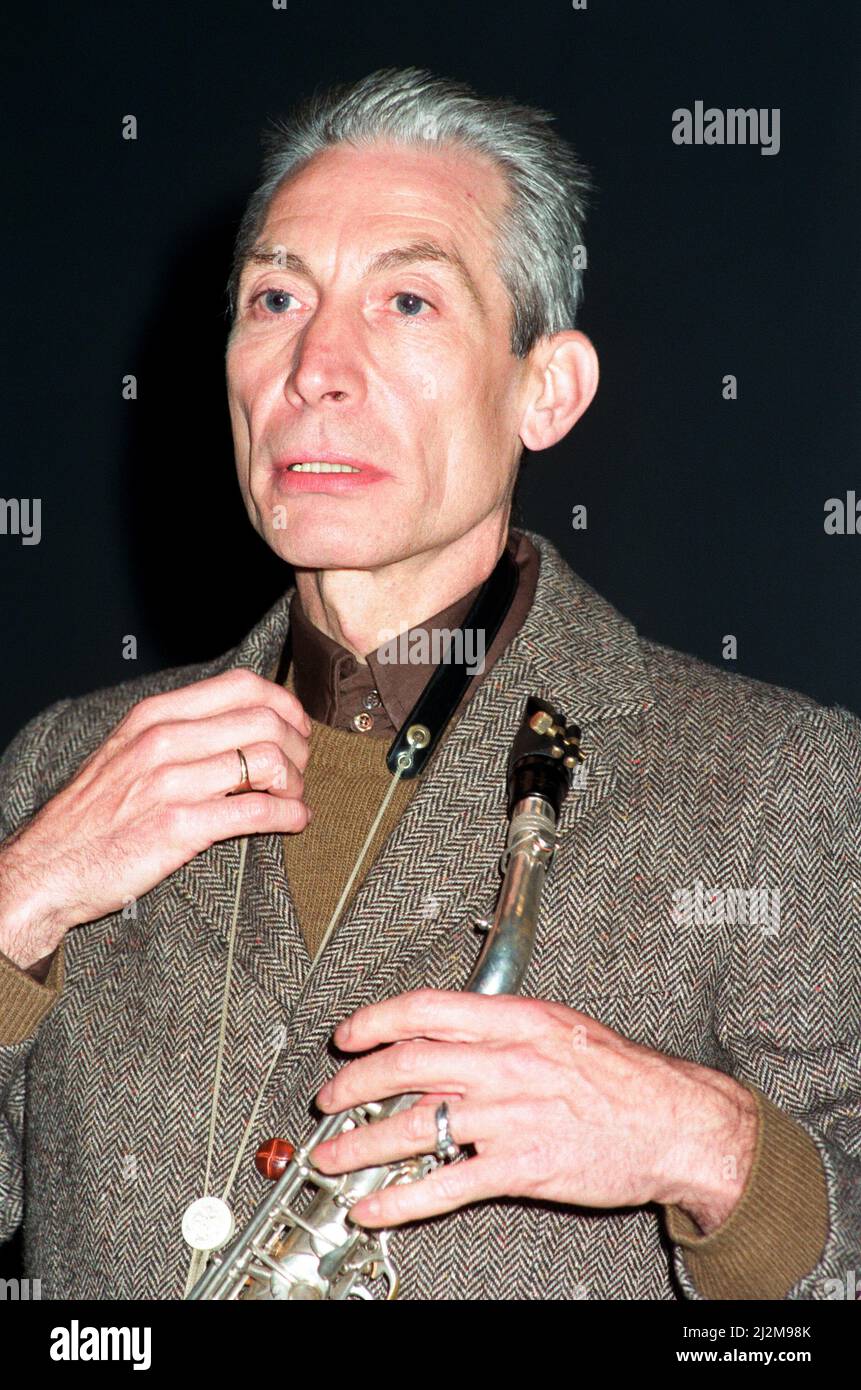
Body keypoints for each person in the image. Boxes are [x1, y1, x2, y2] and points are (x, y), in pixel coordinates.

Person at [0, 66, 858, 1301]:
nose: (316, 366)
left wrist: (709, 1148)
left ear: (545, 388)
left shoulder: (776, 781)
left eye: (407, 299)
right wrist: (19, 898)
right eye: (275, 298)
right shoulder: (61, 766)